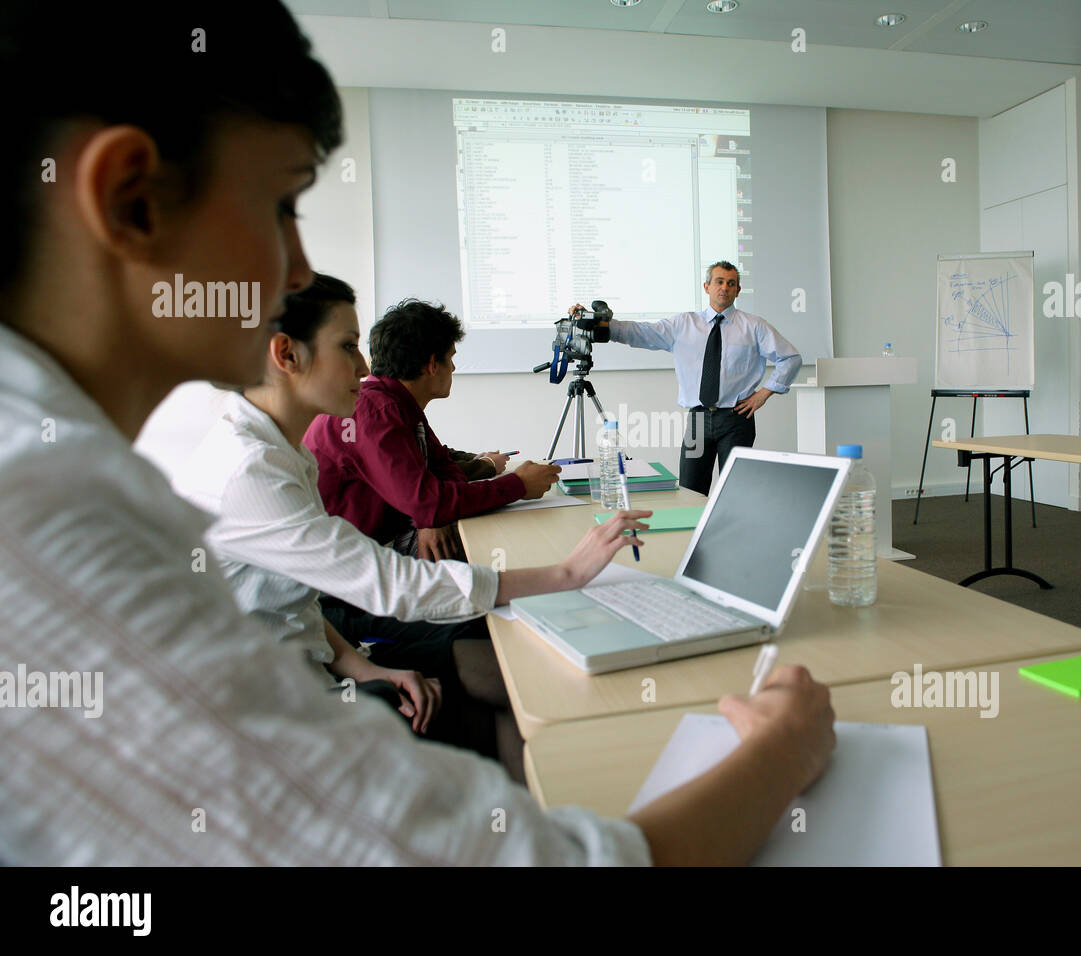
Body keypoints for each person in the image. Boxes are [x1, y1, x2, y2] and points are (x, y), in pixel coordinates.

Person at [0, 0, 835, 866]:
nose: (293, 264)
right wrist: (783, 749)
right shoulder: (50, 520)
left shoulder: (100, 469)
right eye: (282, 201)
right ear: (130, 201)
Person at [165, 272, 528, 776]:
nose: (363, 365)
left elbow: (297, 603)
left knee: (491, 655)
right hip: (277, 697)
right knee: (488, 655)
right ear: (287, 355)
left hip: (326, 639)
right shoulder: (252, 470)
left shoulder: (284, 448)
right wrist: (566, 574)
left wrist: (366, 668)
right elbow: (397, 562)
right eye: (348, 346)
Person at [305, 299, 561, 562]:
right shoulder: (374, 411)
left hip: (375, 539)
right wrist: (518, 484)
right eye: (450, 359)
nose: (453, 368)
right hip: (342, 562)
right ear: (431, 365)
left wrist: (430, 514)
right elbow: (430, 502)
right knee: (497, 552)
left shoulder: (399, 405)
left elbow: (444, 475)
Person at [579, 261, 802, 495]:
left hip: (737, 420)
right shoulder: (684, 324)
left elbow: (790, 358)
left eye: (731, 283)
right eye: (719, 282)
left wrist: (763, 394)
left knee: (736, 491)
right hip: (697, 421)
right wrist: (599, 323)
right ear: (707, 287)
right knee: (690, 490)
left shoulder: (754, 326)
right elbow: (641, 333)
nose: (724, 287)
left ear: (738, 290)